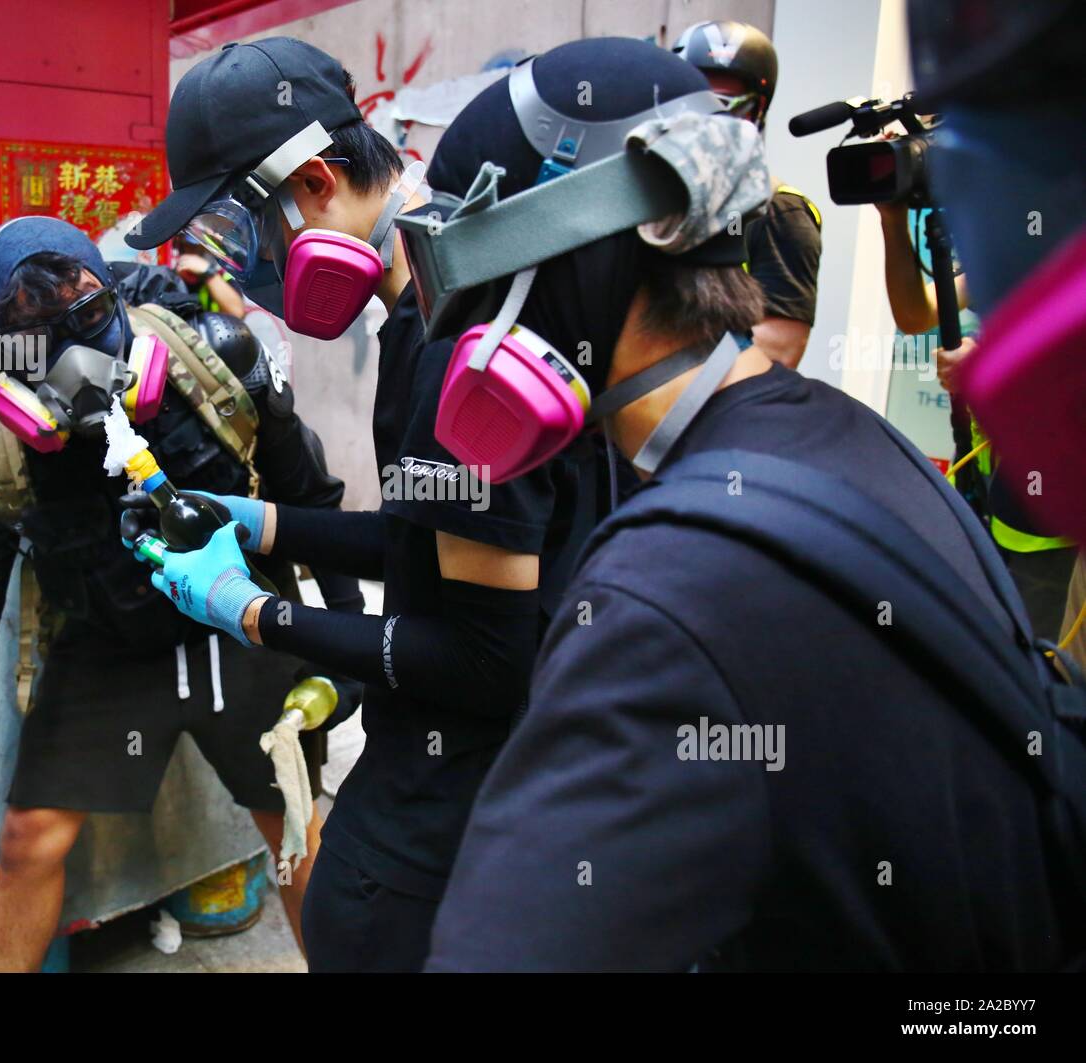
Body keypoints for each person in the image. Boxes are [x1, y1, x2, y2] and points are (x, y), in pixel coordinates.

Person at [387, 38, 1085, 971]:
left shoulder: (663, 599)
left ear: (568, 263)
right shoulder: (862, 442)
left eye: (474, 299)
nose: (466, 345)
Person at [123, 36, 674, 970]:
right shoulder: (423, 315)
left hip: (480, 778)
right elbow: (428, 538)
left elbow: (484, 659)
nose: (242, 277)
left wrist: (253, 610)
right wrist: (254, 520)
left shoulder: (460, 344)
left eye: (236, 235)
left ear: (312, 185)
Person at [0, 216, 362, 969]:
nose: (75, 354)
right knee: (28, 841)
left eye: (87, 314)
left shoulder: (217, 357)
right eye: (33, 337)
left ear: (114, 295)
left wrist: (346, 634)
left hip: (233, 617)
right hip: (104, 645)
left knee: (293, 827)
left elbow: (310, 500)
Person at [876, 199, 1076, 642]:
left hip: (1053, 520)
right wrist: (892, 221)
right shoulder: (1022, 239)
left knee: (1035, 668)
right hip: (994, 483)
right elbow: (916, 314)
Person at [673, 19, 822, 369]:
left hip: (711, 414)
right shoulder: (654, 198)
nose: (713, 122)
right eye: (699, 103)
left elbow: (781, 349)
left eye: (733, 108)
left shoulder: (782, 212)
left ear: (759, 113)